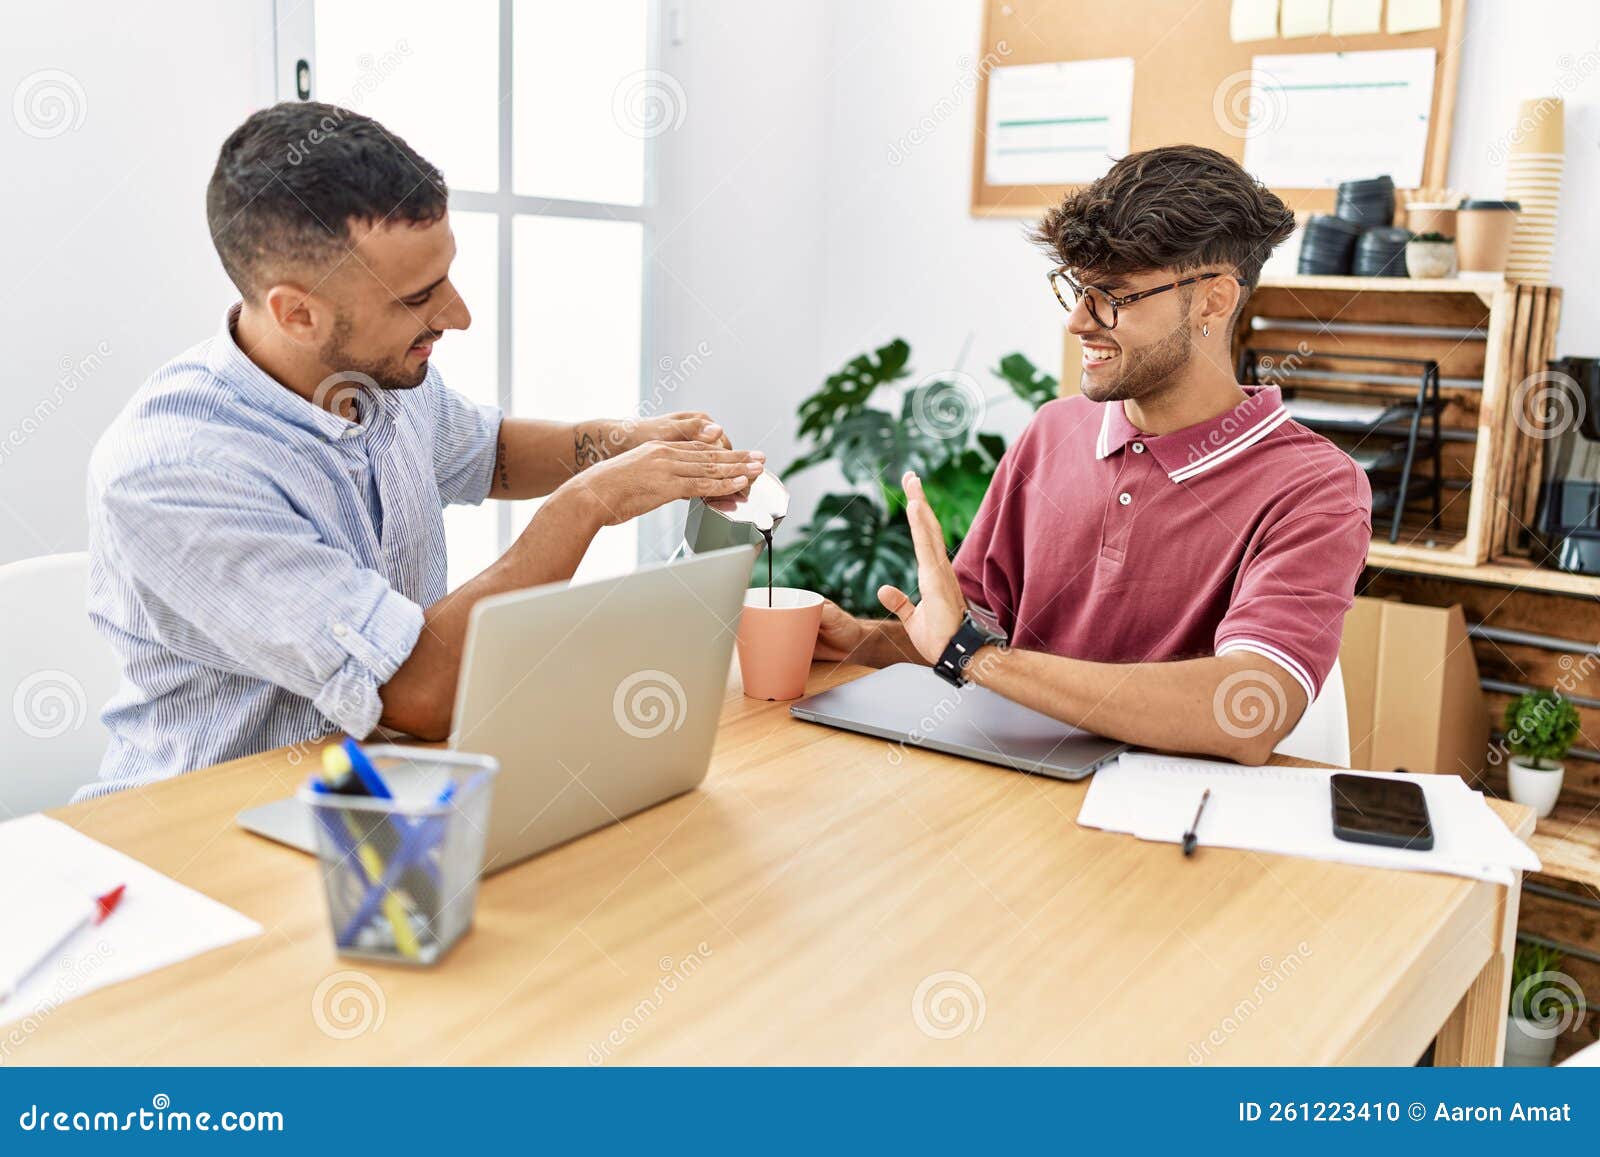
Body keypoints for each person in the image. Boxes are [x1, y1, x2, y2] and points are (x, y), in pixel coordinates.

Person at [80, 102, 764, 797]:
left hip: (381, 790)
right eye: (419, 297)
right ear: (298, 314)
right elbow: (421, 693)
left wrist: (627, 443)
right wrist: (589, 502)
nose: (458, 314)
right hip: (200, 834)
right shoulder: (174, 470)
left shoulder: (373, 377)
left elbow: (491, 453)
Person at [815, 145, 1372, 764]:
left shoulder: (1315, 486)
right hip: (1007, 790)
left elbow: (1247, 711)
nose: (1079, 322)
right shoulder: (1053, 430)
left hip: (1164, 828)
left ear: (1214, 300)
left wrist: (971, 655)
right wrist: (863, 641)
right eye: (1078, 290)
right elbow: (972, 637)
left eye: (1115, 296)